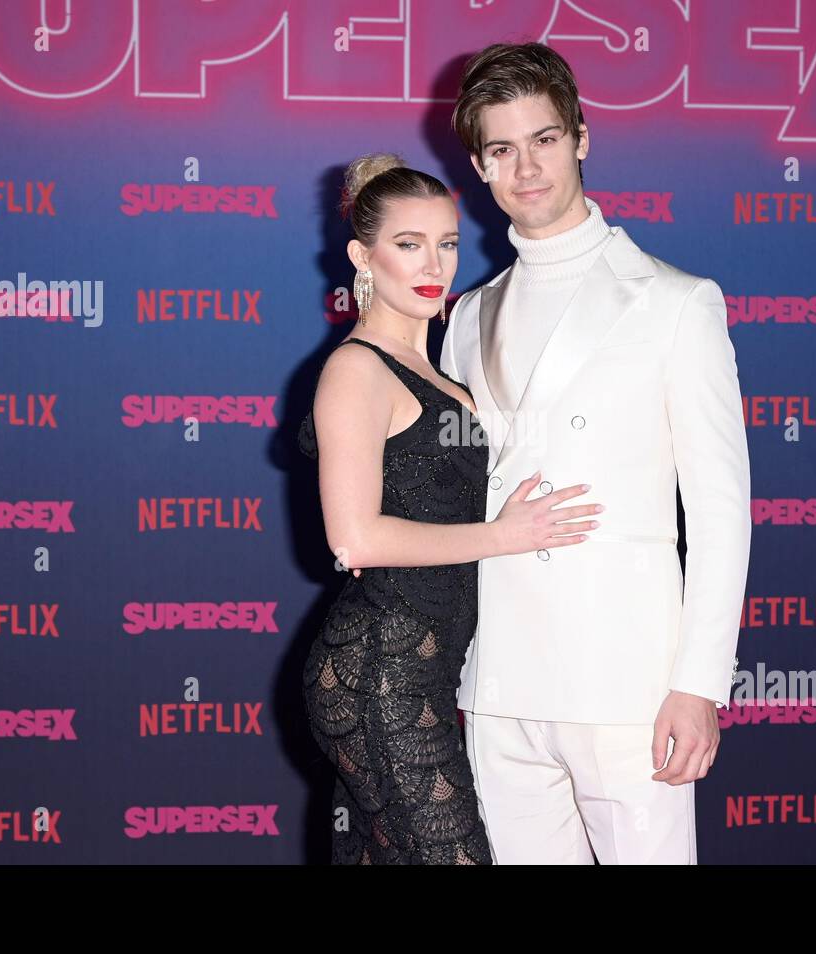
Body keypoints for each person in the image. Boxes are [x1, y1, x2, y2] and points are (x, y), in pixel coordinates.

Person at [440, 43, 753, 864]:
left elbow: (720, 514)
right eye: (502, 149)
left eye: (544, 139)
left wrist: (699, 684)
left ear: (581, 137)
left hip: (629, 690)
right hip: (501, 683)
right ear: (479, 165)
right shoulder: (467, 316)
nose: (527, 167)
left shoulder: (678, 304)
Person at [297, 153, 604, 864]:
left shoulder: (442, 371)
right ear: (361, 256)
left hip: (429, 670)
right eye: (408, 244)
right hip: (380, 670)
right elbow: (354, 539)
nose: (433, 263)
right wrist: (503, 537)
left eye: (447, 243)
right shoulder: (355, 369)